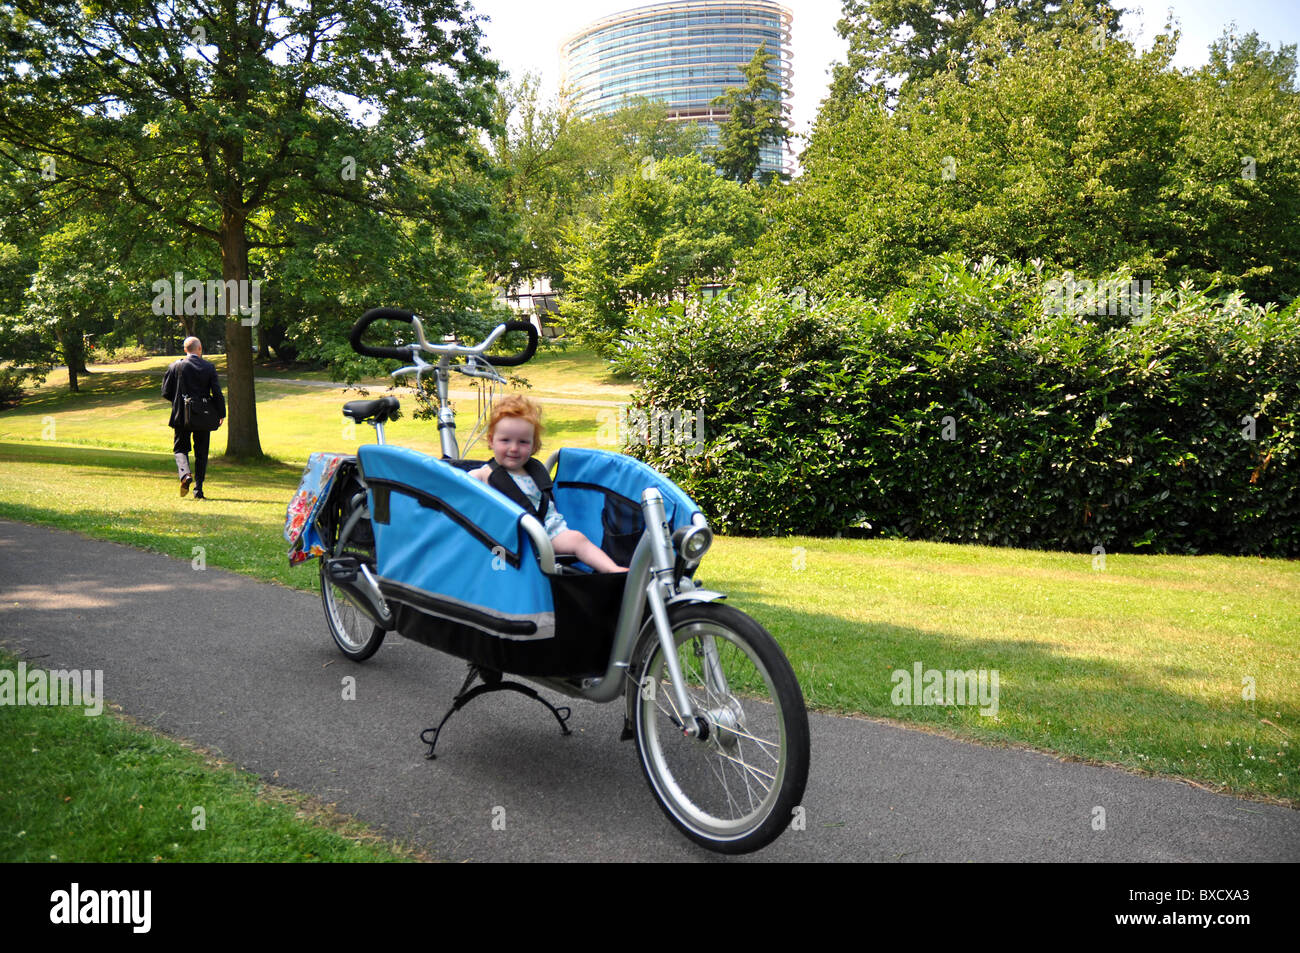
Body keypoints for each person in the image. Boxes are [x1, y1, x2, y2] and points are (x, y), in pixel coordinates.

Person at [469, 395, 626, 573]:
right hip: (509, 543)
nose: (513, 448)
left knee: (578, 539)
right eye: (505, 440)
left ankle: (613, 570)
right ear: (491, 441)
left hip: (550, 533)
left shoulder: (535, 472)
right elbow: (459, 489)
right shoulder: (483, 475)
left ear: (534, 445)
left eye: (523, 442)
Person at [162, 337, 225, 500]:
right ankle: (199, 490)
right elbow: (217, 393)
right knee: (201, 453)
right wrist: (221, 413)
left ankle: (184, 474)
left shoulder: (176, 366)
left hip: (182, 415)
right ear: (200, 348)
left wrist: (179, 403)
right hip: (203, 415)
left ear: (185, 349)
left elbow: (166, 392)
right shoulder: (209, 367)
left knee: (180, 448)